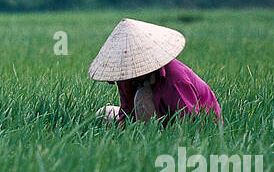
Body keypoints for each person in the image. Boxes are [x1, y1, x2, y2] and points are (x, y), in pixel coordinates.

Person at [89, 18, 221, 124]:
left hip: (194, 124)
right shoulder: (125, 75)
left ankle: (148, 138)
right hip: (155, 118)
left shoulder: (176, 79)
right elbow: (127, 112)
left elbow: (190, 123)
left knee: (143, 96)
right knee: (104, 113)